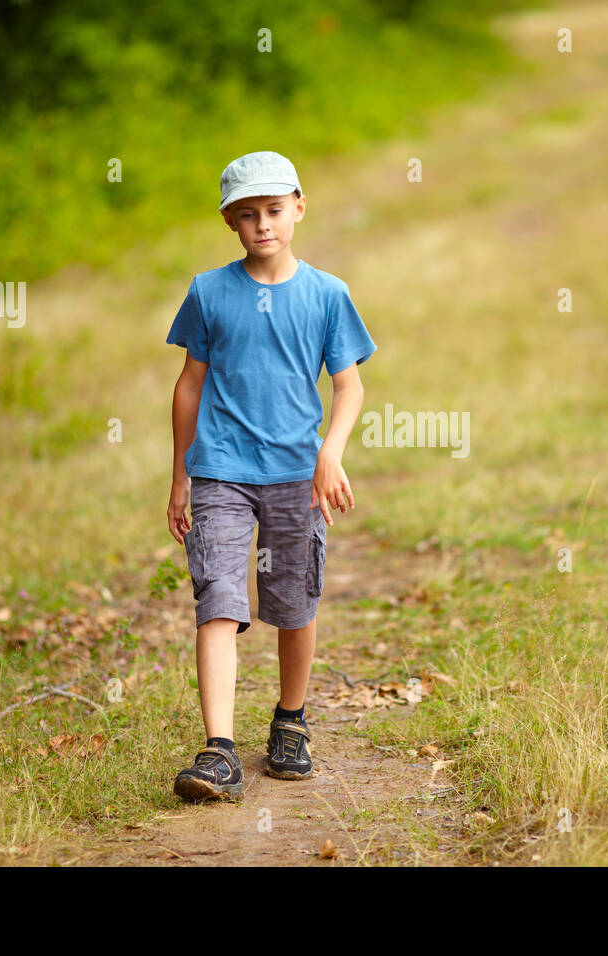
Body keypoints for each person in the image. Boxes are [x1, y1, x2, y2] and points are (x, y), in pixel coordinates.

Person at [164, 151, 376, 800]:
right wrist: (179, 477)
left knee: (292, 600)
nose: (263, 226)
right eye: (248, 215)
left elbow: (350, 387)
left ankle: (291, 721)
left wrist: (329, 452)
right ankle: (219, 751)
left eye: (275, 211)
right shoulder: (209, 292)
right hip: (220, 471)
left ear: (300, 207)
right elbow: (188, 387)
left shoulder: (327, 295)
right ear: (230, 221)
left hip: (294, 473)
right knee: (218, 599)